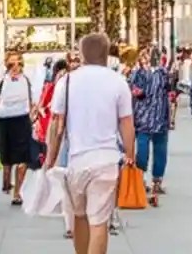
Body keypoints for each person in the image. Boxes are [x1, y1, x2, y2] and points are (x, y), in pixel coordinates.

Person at [45, 33, 135, 254]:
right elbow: (127, 123)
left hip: (77, 160)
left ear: (82, 54)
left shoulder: (66, 81)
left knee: (79, 216)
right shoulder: (118, 81)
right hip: (106, 160)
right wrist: (130, 155)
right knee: (99, 222)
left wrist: (50, 159)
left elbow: (56, 125)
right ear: (106, 54)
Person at [0, 50, 36, 206]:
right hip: (4, 120)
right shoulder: (1, 79)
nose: (15, 66)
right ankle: (6, 177)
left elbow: (34, 99)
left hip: (22, 119)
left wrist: (33, 114)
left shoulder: (27, 79)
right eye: (11, 63)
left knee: (23, 157)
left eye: (18, 63)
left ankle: (18, 192)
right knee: (6, 155)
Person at [129, 47, 171, 204]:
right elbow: (134, 90)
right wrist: (138, 92)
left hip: (160, 118)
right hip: (143, 119)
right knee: (142, 152)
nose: (149, 61)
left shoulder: (163, 73)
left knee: (161, 151)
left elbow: (169, 89)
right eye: (145, 59)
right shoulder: (137, 74)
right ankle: (141, 178)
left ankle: (157, 181)